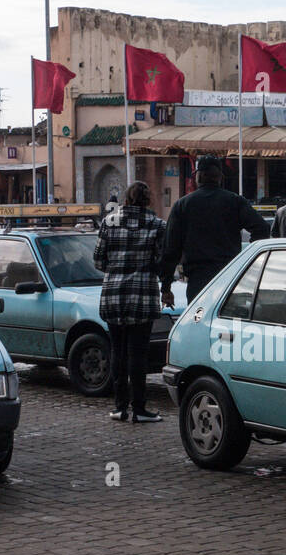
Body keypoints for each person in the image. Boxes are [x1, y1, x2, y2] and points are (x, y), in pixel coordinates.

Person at [94, 181, 167, 423]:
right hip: (143, 295)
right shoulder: (157, 225)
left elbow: (98, 260)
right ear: (148, 201)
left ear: (125, 199)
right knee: (138, 352)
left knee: (117, 350)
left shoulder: (109, 222)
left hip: (113, 294)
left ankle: (119, 407)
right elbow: (162, 261)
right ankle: (139, 409)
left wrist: (116, 269)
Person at [160, 155, 268, 305]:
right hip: (230, 277)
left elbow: (171, 249)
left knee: (198, 322)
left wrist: (166, 286)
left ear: (200, 175)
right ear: (220, 177)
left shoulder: (183, 205)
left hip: (198, 279)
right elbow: (262, 228)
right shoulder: (235, 202)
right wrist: (248, 261)